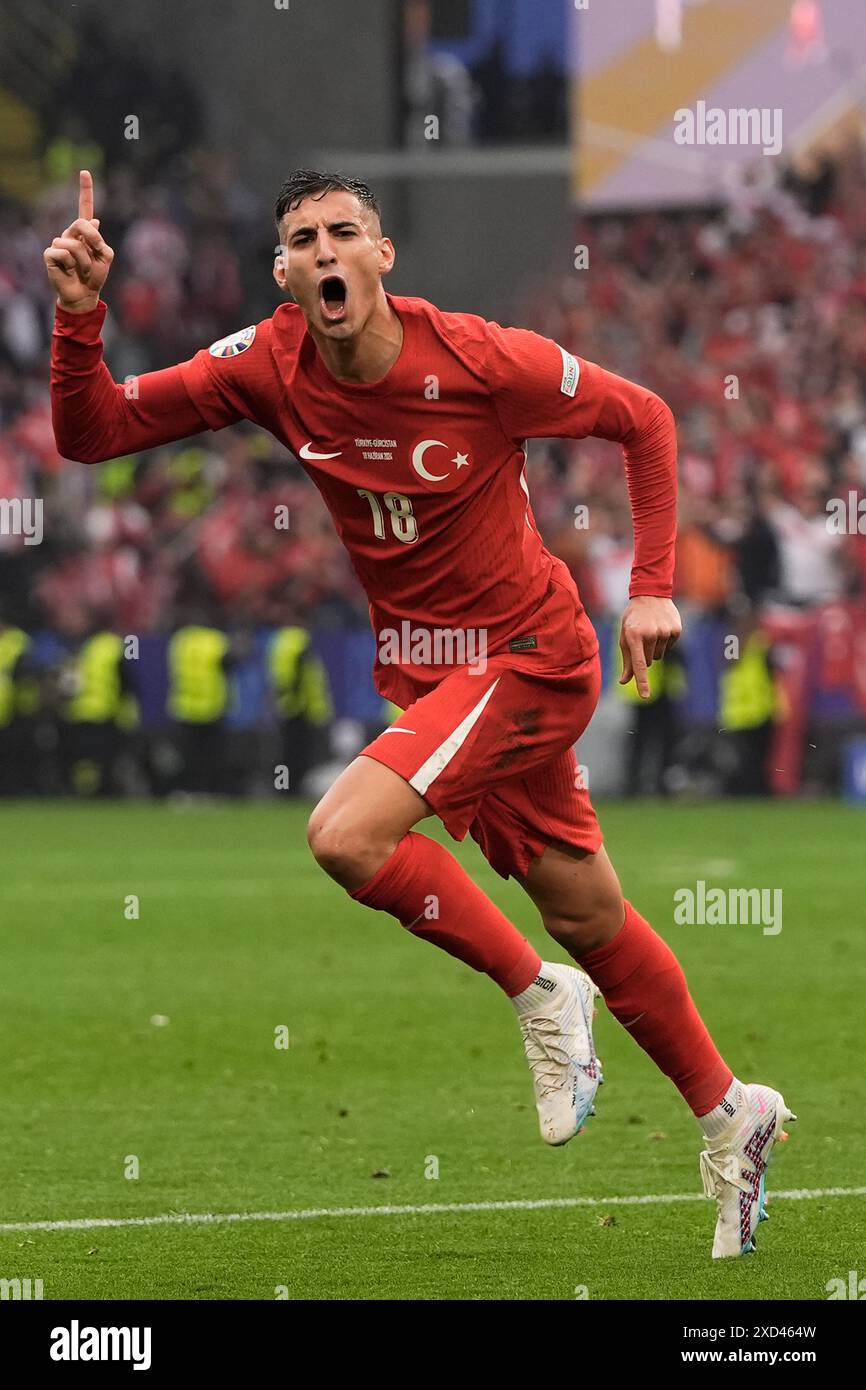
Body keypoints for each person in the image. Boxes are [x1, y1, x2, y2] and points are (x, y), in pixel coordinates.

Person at [45, 169, 795, 1259]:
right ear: (284, 273)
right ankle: (733, 1112)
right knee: (587, 911)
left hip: (531, 657)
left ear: (382, 255)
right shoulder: (266, 364)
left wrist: (652, 583)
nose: (325, 249)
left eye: (345, 230)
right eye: (302, 237)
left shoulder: (481, 360)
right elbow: (96, 431)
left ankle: (539, 996)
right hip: (441, 681)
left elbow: (644, 418)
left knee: (344, 833)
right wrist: (79, 318)